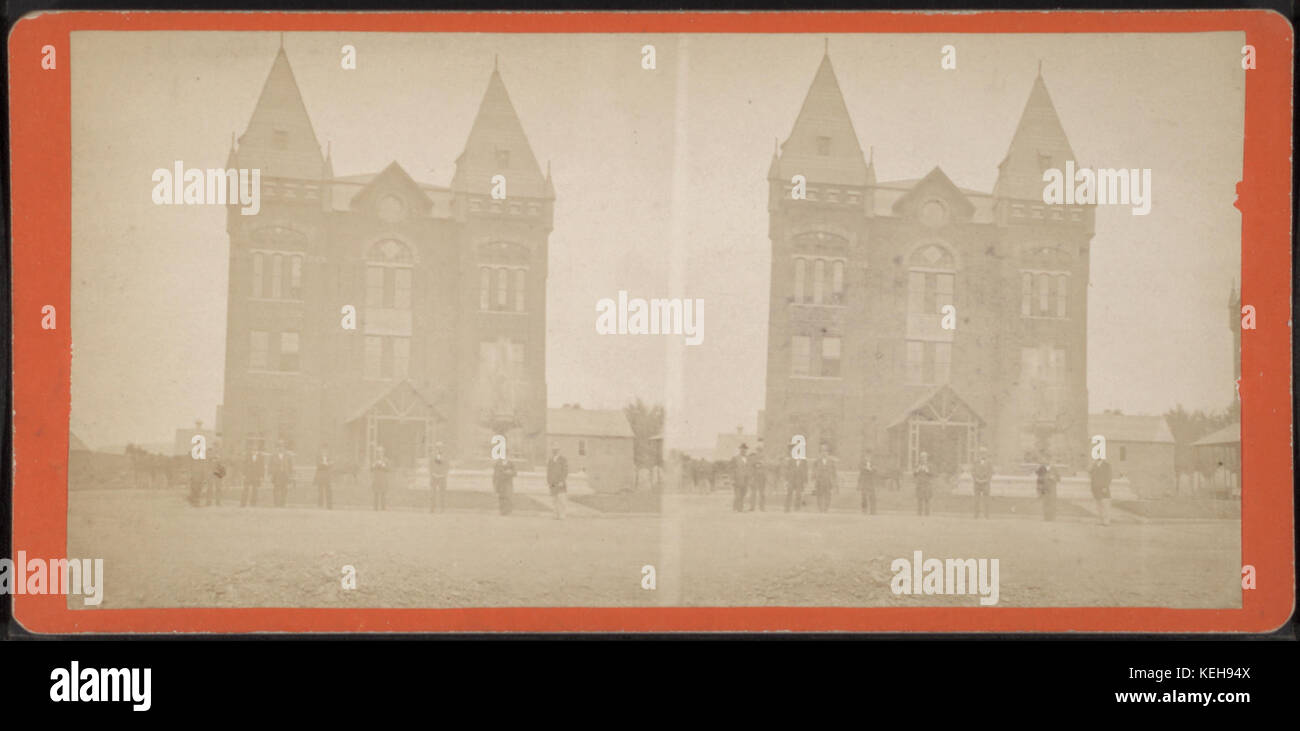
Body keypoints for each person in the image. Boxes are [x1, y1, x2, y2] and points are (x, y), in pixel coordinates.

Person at [1089, 455, 1112, 526]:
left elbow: (1109, 476)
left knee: (1105, 504)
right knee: (1098, 504)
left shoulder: (1106, 465)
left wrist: (1105, 486)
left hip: (1103, 487)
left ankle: (1106, 521)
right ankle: (1101, 520)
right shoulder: (1094, 465)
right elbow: (1089, 472)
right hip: (1095, 487)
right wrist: (1092, 464)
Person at [547, 447, 569, 520]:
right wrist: (549, 481)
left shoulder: (563, 460)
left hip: (560, 482)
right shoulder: (550, 460)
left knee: (561, 499)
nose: (555, 451)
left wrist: (562, 481)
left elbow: (565, 471)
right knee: (554, 499)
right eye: (554, 450)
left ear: (559, 451)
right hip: (553, 483)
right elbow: (548, 472)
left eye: (556, 450)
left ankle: (563, 514)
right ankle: (556, 514)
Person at [813, 445, 837, 513]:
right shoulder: (817, 461)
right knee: (819, 495)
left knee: (828, 495)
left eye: (825, 451)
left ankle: (826, 508)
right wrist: (815, 477)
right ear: (820, 452)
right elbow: (814, 470)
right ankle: (820, 508)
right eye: (822, 451)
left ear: (828, 452)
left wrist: (834, 481)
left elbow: (834, 472)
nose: (824, 453)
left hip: (828, 481)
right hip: (819, 481)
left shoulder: (831, 461)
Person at [971, 449, 994, 519]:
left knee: (986, 500)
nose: (982, 454)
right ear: (979, 454)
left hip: (986, 484)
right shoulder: (975, 462)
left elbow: (991, 472)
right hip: (977, 483)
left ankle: (986, 515)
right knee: (976, 500)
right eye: (981, 453)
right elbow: (972, 471)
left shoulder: (989, 462)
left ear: (986, 454)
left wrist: (986, 480)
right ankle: (976, 515)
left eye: (984, 453)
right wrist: (976, 479)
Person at [271, 443, 294, 508]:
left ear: (284, 448)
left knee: (284, 489)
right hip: (276, 475)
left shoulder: (288, 456)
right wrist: (271, 473)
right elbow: (271, 465)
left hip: (285, 475)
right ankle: (276, 503)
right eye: (279, 447)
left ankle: (283, 503)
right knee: (276, 489)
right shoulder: (273, 456)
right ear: (277, 448)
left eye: (282, 447)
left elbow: (290, 466)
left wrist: (291, 474)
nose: (281, 448)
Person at [429, 442, 450, 513]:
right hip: (434, 477)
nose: (439, 449)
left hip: (442, 477)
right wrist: (432, 474)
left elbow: (447, 466)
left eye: (440, 447)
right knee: (432, 494)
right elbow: (430, 465)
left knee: (442, 494)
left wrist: (444, 474)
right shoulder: (432, 456)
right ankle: (432, 508)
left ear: (443, 448)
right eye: (437, 447)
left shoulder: (446, 456)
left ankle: (442, 509)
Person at [748, 441, 767, 512]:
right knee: (753, 493)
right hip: (755, 476)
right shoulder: (753, 456)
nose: (759, 450)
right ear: (756, 449)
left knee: (762, 493)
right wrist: (752, 477)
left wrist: (762, 464)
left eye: (761, 449)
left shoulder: (765, 457)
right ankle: (752, 507)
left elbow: (766, 466)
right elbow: (751, 466)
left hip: (762, 477)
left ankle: (762, 507)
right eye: (758, 449)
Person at [731, 444, 751, 513]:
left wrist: (750, 477)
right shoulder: (735, 458)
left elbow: (749, 468)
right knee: (738, 494)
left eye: (745, 449)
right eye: (742, 449)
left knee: (743, 494)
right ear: (740, 449)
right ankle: (739, 508)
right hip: (738, 479)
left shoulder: (748, 458)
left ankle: (737, 507)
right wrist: (733, 479)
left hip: (746, 479)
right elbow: (732, 469)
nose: (744, 450)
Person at [914, 452, 933, 516]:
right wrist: (917, 470)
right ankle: (919, 514)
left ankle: (927, 514)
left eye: (924, 457)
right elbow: (914, 475)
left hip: (927, 484)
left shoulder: (930, 465)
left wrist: (927, 470)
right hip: (919, 484)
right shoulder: (917, 465)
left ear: (927, 458)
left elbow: (933, 474)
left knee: (927, 499)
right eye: (921, 457)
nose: (923, 459)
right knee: (919, 499)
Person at [370, 446, 390, 511]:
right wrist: (373, 466)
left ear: (383, 453)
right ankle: (375, 508)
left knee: (383, 494)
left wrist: (383, 465)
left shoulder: (386, 460)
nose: (379, 454)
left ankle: (383, 508)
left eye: (380, 452)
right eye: (378, 452)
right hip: (376, 479)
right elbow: (371, 469)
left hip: (383, 479)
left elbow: (389, 469)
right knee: (376, 493)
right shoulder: (374, 460)